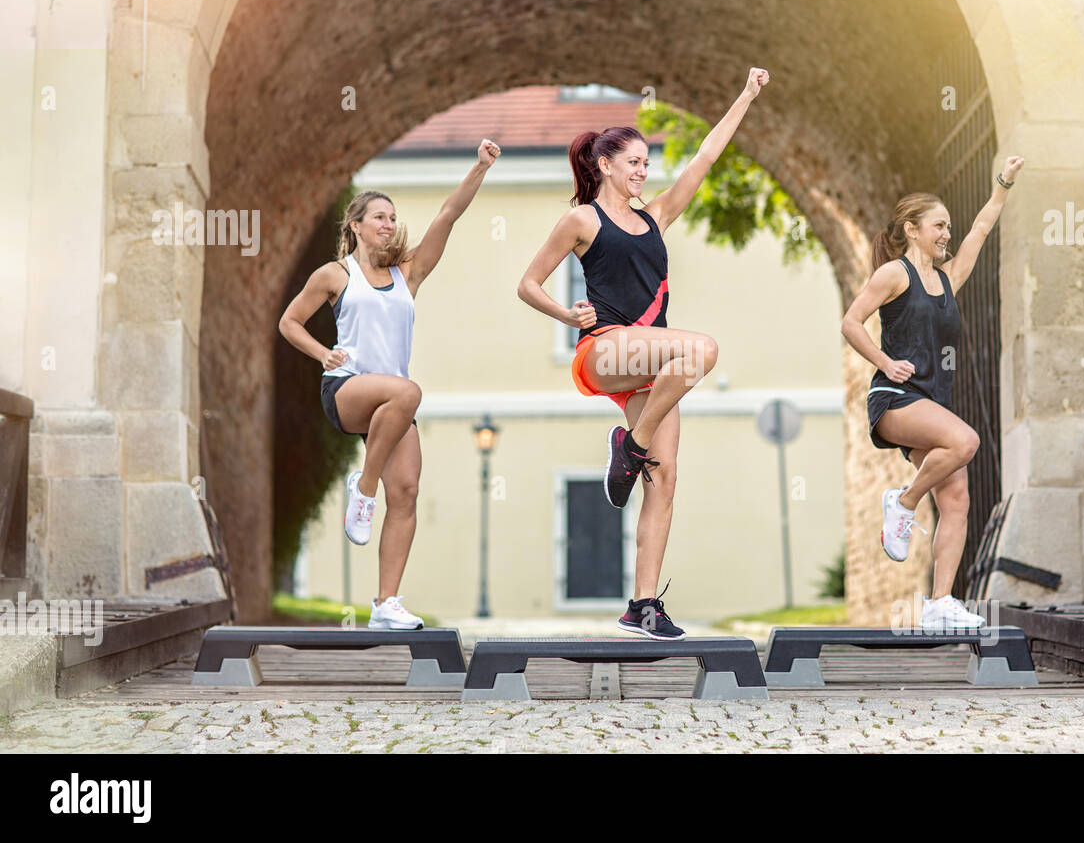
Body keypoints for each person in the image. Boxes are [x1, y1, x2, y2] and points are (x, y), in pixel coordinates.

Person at [517, 68, 771, 640]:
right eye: (633, 162)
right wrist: (566, 315)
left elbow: (705, 158)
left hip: (653, 369)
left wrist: (745, 96)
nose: (642, 171)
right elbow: (528, 283)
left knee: (666, 478)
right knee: (701, 350)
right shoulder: (583, 219)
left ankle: (643, 605)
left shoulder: (655, 216)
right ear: (605, 165)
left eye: (646, 163)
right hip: (605, 350)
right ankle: (627, 448)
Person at [278, 139, 501, 629]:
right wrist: (323, 353)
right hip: (347, 389)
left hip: (393, 408)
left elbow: (448, 214)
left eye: (392, 217)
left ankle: (385, 605)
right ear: (355, 225)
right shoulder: (336, 275)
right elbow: (289, 323)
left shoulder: (408, 274)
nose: (388, 223)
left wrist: (479, 168)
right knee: (409, 391)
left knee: (408, 492)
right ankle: (364, 487)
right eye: (378, 216)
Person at [841, 156, 1025, 629]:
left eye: (948, 226)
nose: (947, 233)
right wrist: (884, 362)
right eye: (939, 225)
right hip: (895, 399)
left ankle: (940, 603)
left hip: (931, 403)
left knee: (957, 496)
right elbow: (851, 323)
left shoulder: (948, 279)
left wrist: (1001, 184)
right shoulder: (894, 274)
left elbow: (981, 231)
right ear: (912, 228)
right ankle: (902, 503)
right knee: (965, 442)